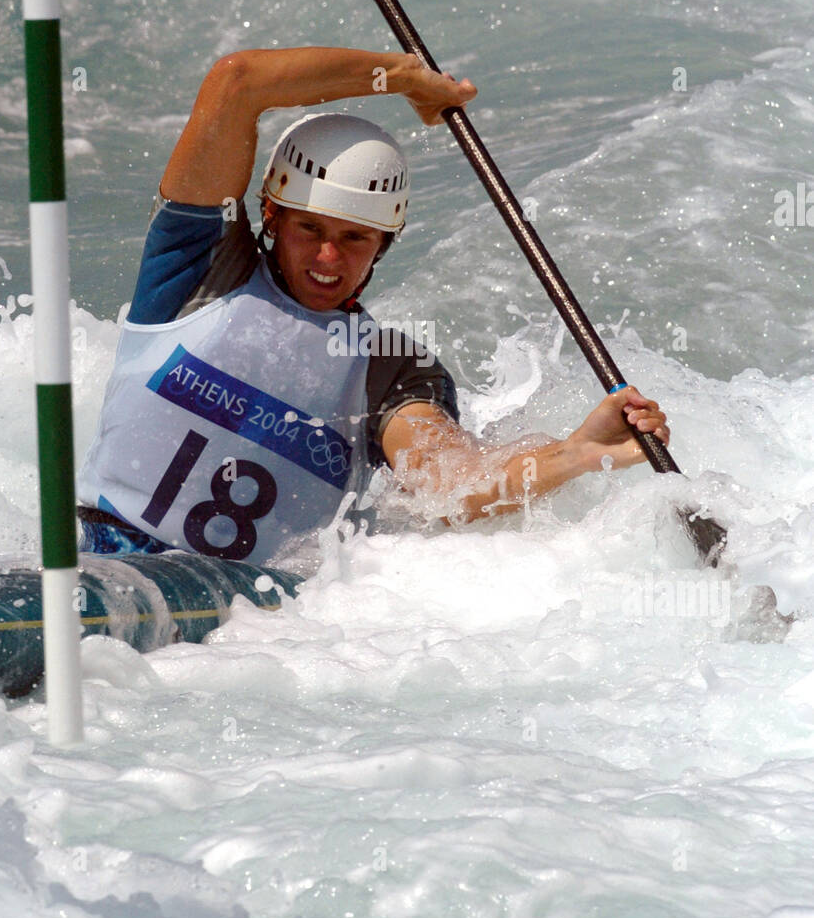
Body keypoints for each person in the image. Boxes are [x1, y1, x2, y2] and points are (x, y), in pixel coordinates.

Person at [76, 47, 669, 562]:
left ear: (384, 244)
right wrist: (404, 78)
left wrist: (577, 451)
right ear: (272, 214)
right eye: (310, 229)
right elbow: (238, 81)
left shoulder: (390, 368)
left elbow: (449, 483)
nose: (329, 258)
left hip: (240, 610)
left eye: (356, 238)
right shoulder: (196, 265)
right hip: (98, 550)